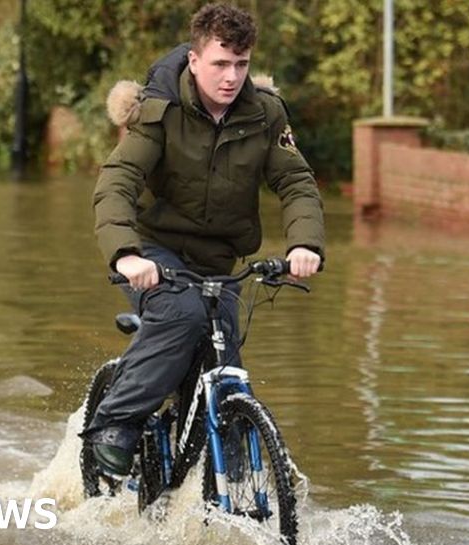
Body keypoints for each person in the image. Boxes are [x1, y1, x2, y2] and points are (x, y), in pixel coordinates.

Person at [82, 3, 325, 485]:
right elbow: (118, 181)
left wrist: (306, 245)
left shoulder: (266, 115)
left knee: (223, 359)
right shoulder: (160, 112)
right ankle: (114, 422)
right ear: (194, 61)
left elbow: (296, 184)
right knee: (181, 315)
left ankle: (231, 481)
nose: (232, 76)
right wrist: (127, 253)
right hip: (154, 250)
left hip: (219, 261)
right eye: (220, 63)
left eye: (242, 64)